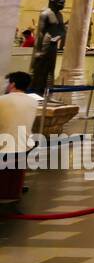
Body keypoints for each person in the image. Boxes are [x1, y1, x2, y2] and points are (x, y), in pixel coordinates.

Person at [0, 71, 40, 204]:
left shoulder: (3, 100)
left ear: (13, 84)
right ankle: (15, 187)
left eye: (8, 82)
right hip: (26, 147)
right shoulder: (33, 101)